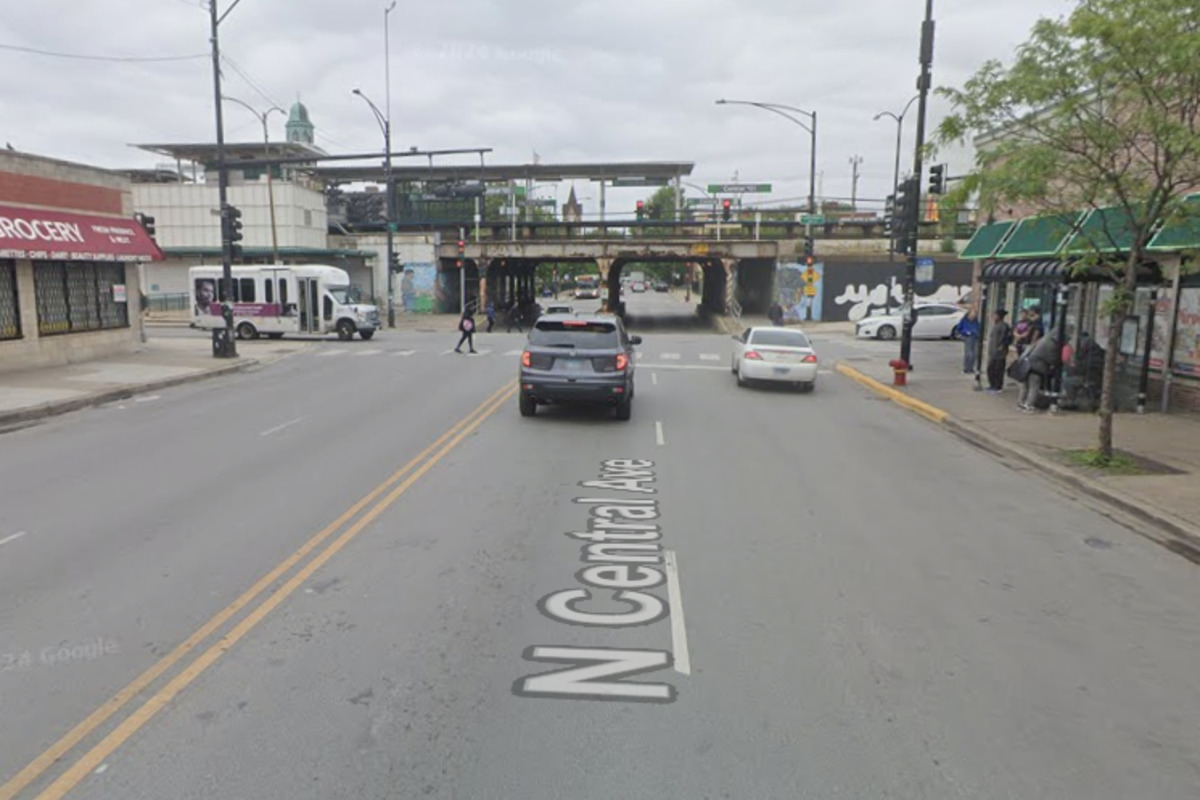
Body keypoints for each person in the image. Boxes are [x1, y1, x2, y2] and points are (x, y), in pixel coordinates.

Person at [1019, 328, 1060, 411]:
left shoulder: (1042, 340)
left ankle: (1021, 403)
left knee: (1025, 386)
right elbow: (1052, 359)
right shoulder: (1051, 345)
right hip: (1037, 367)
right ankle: (1029, 405)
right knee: (1034, 387)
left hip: (1026, 365)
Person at [985, 309, 1012, 393]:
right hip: (993, 351)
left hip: (1000, 352)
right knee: (991, 369)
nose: (993, 317)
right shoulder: (996, 325)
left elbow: (1008, 338)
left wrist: (1003, 346)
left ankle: (998, 386)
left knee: (998, 369)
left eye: (995, 315)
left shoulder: (1004, 326)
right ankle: (992, 385)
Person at [953, 308, 982, 374]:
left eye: (974, 315)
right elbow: (959, 329)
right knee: (969, 354)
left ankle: (971, 368)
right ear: (968, 314)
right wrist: (965, 332)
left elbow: (979, 328)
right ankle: (966, 368)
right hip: (968, 337)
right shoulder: (964, 321)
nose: (973, 316)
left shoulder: (976, 321)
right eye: (972, 315)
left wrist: (977, 333)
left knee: (974, 354)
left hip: (975, 337)